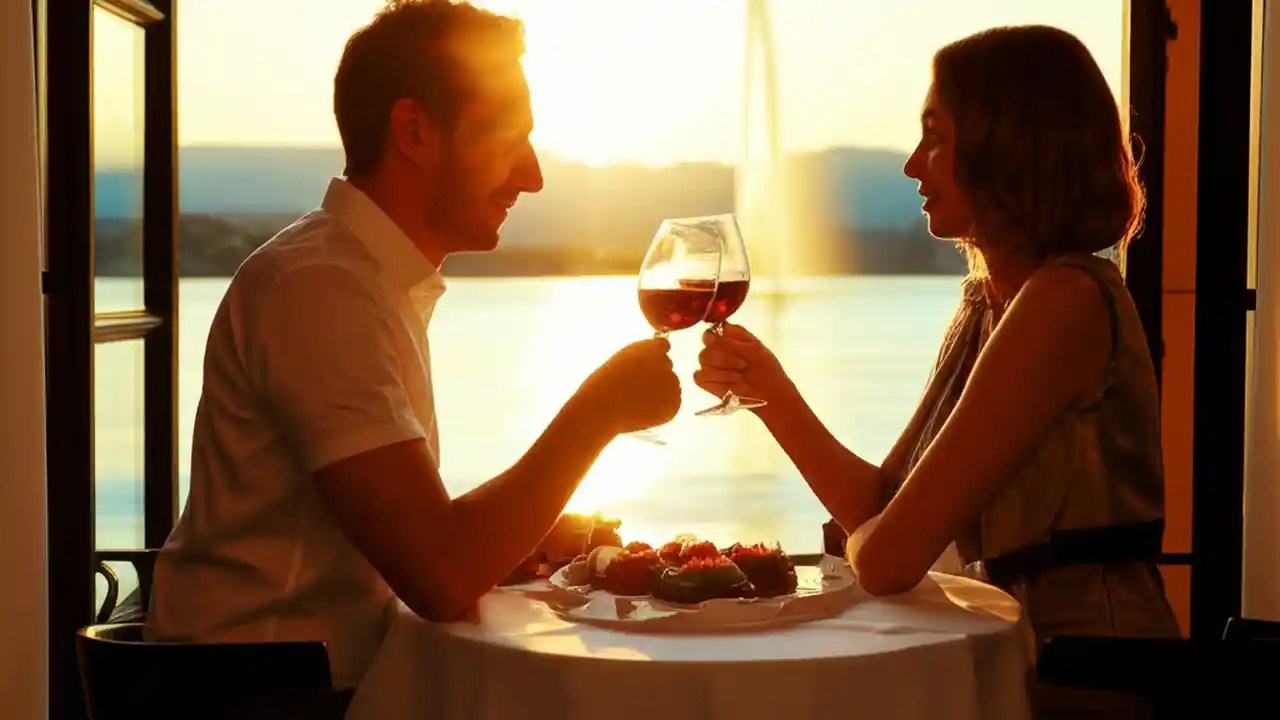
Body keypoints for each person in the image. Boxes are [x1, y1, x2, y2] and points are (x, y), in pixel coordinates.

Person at [145, 0, 680, 692]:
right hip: (261, 698)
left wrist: (526, 534)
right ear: (415, 131)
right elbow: (439, 576)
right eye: (507, 138)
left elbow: (418, 543)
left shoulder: (360, 278)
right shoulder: (320, 290)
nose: (532, 175)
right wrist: (598, 413)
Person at [694, 25, 1178, 717]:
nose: (913, 166)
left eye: (936, 139)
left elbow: (888, 559)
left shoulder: (1065, 300)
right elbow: (882, 513)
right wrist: (771, 395)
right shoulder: (992, 303)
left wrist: (879, 550)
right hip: (1007, 657)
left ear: (1007, 146)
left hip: (1087, 675)